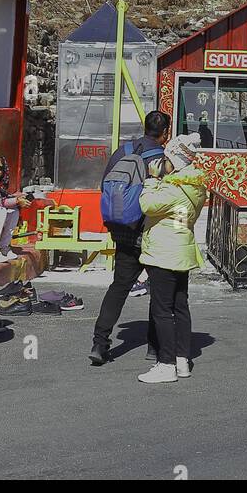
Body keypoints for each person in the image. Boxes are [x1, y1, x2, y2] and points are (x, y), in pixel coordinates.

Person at [89, 109, 171, 367]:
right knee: (158, 289)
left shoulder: (122, 151)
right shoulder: (160, 159)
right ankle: (154, 348)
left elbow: (105, 186)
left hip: (121, 230)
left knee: (119, 287)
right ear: (165, 133)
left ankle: (100, 343)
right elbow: (163, 200)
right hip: (148, 234)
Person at [137, 134, 207, 385]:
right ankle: (182, 360)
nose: (161, 162)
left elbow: (147, 205)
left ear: (175, 162)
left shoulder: (171, 188)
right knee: (180, 306)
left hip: (164, 253)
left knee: (162, 310)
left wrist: (152, 180)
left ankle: (165, 364)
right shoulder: (194, 187)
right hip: (180, 248)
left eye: (166, 159)